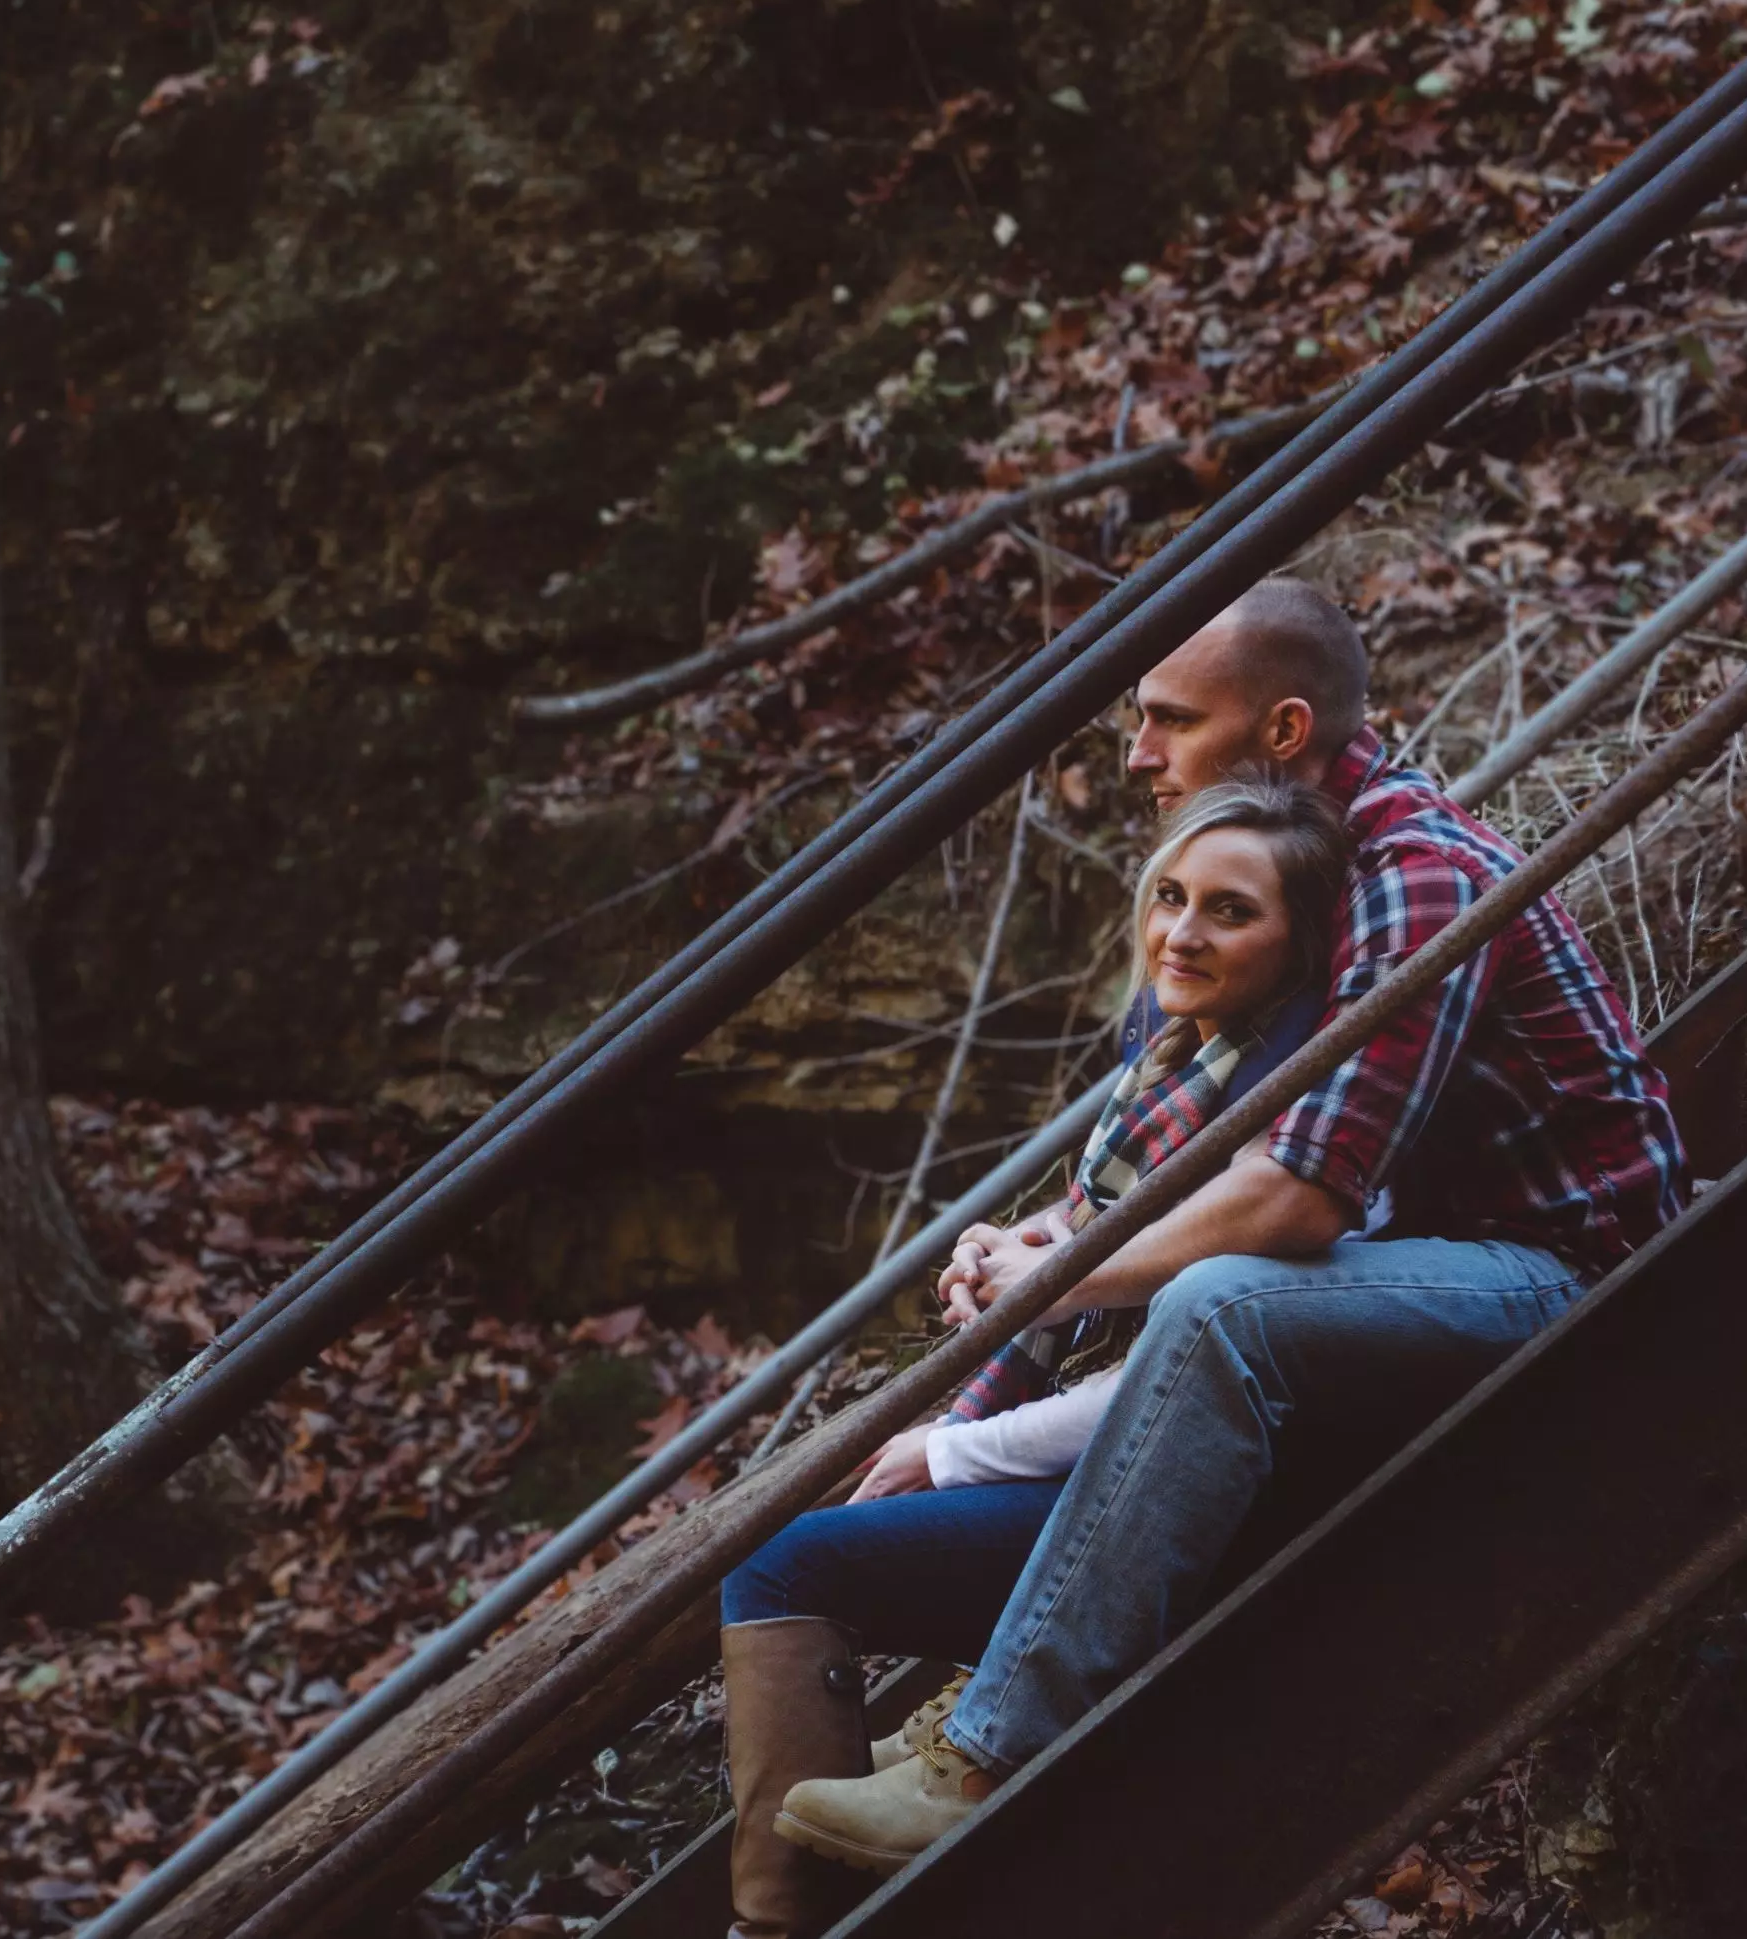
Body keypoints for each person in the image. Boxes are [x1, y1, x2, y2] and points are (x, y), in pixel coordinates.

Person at [769, 577, 1688, 1879]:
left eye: (1168, 720)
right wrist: (1050, 1235)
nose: (1138, 752)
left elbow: (1300, 1194)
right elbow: (1206, 1145)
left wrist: (1055, 1280)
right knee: (1204, 1299)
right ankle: (954, 1734)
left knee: (1225, 1303)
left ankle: (993, 1755)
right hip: (1431, 1259)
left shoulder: (1412, 873)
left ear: (1283, 728)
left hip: (1571, 1276)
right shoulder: (1296, 872)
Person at [712, 772, 1351, 1939]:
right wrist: (1032, 1254)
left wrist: (957, 1451)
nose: (1182, 932)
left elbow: (1179, 1371)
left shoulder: (1293, 1097)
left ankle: (787, 1923)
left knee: (784, 1569)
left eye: (1230, 910)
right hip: (1109, 1468)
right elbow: (1108, 1251)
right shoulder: (1175, 1060)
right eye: (1169, 895)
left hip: (1194, 1504)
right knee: (783, 1551)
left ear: (1302, 938)